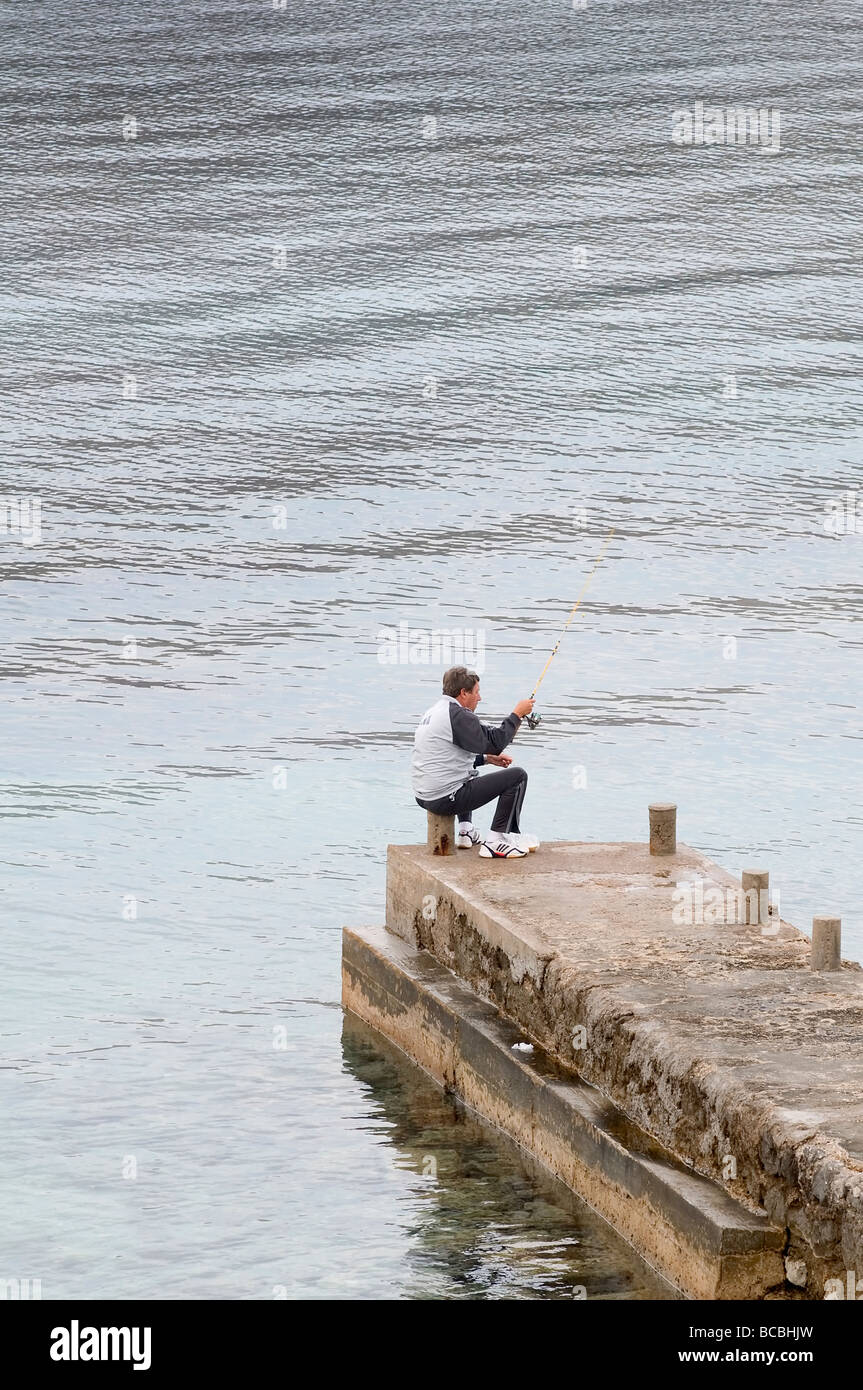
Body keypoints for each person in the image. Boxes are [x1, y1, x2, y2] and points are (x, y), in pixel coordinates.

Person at [411, 666, 539, 858]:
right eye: (477, 692)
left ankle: (465, 831)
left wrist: (487, 759)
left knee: (467, 771)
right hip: (443, 798)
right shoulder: (458, 716)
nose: (479, 698)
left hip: (423, 795)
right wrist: (517, 714)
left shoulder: (435, 712)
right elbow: (496, 742)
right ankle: (496, 840)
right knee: (517, 777)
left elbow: (450, 756)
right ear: (464, 693)